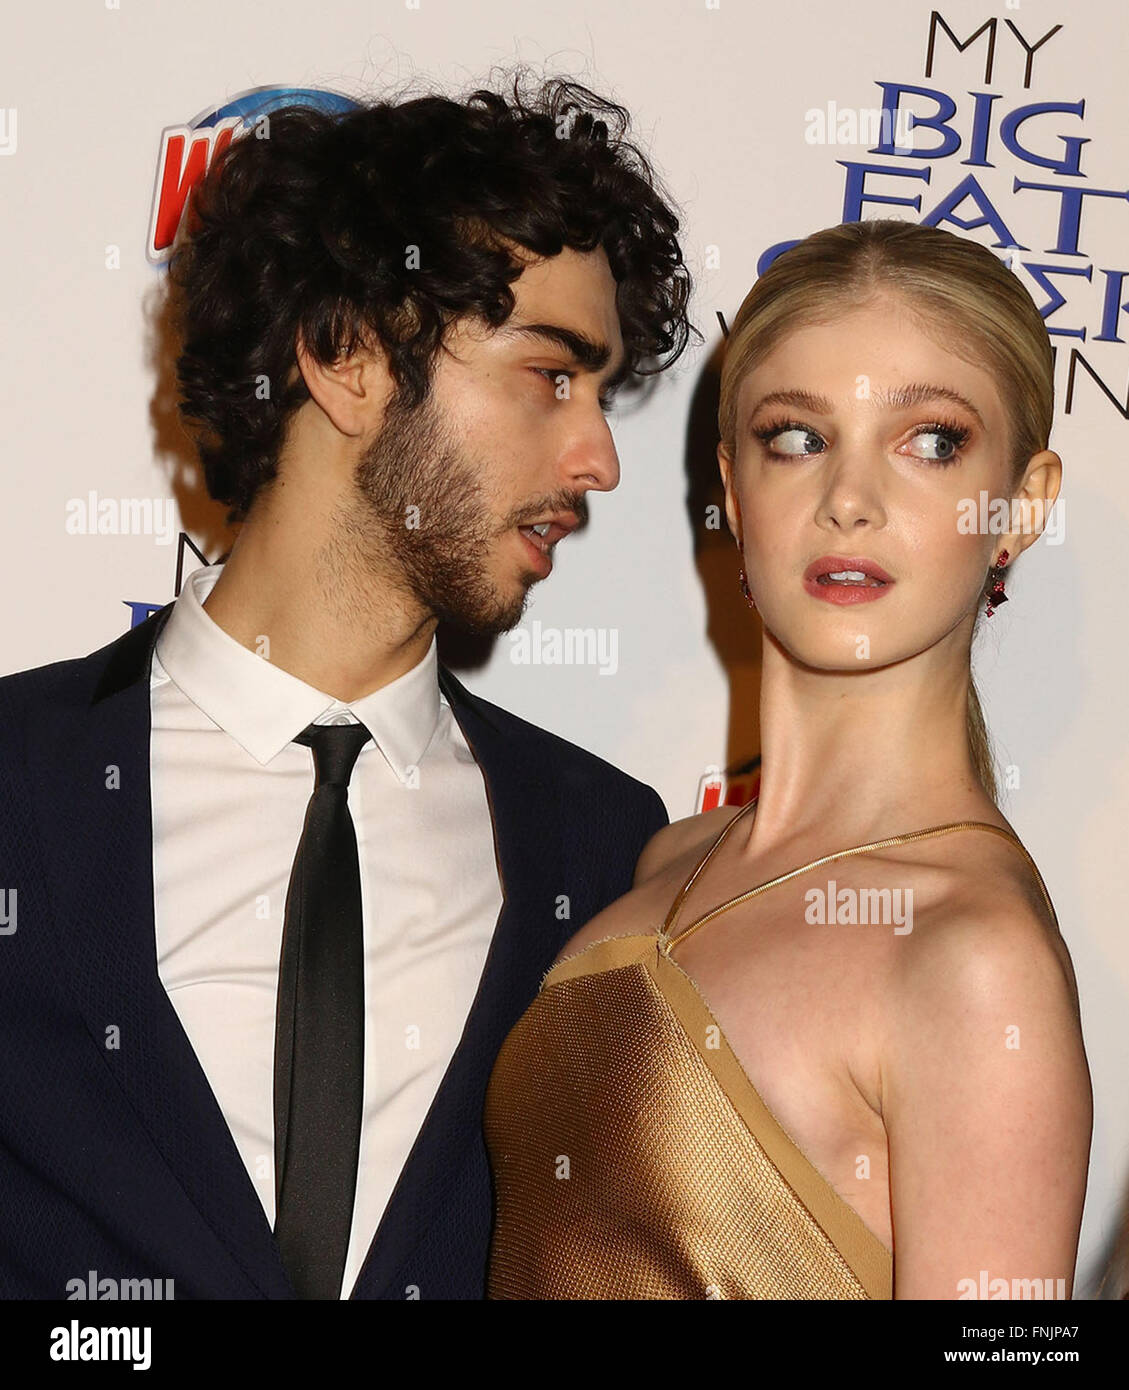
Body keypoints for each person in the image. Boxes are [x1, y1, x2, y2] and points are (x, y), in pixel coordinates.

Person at [0, 71, 696, 1299]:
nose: (596, 459)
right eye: (550, 373)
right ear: (345, 355)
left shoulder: (602, 849)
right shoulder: (17, 780)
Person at [484, 218, 1092, 1300]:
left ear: (1022, 504)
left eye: (932, 441)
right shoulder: (666, 860)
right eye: (797, 438)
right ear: (731, 482)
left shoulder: (970, 957)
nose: (848, 499)